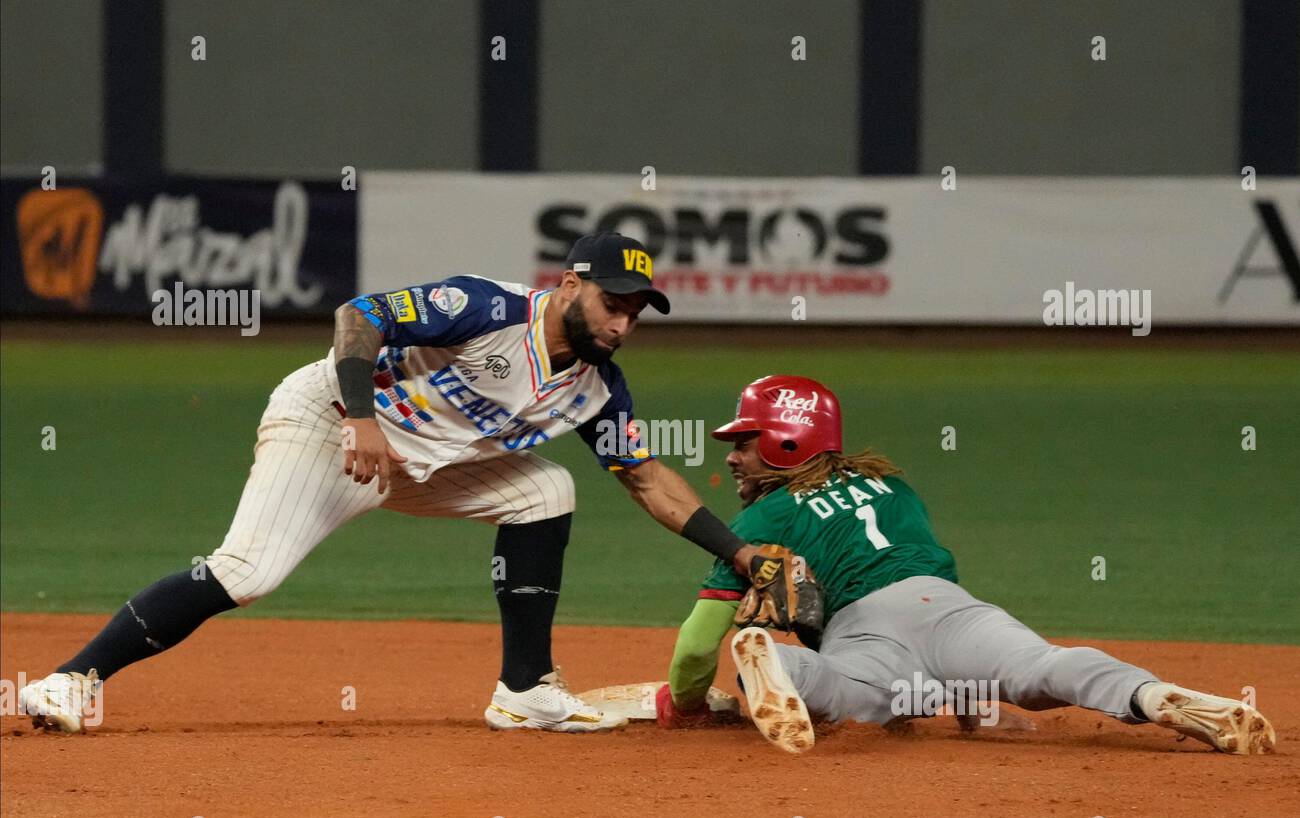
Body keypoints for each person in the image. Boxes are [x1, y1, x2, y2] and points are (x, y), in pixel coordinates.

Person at [19, 233, 782, 734]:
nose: (621, 324)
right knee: (248, 571)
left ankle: (524, 691)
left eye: (636, 314)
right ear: (570, 284)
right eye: (612, 303)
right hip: (329, 426)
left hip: (424, 465)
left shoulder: (596, 388)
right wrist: (360, 416)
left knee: (546, 491)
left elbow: (649, 480)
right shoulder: (488, 309)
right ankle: (72, 678)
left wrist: (742, 555)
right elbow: (361, 315)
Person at [655, 374, 1278, 756]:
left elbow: (695, 645)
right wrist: (974, 702)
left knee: (856, 695)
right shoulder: (891, 486)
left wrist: (684, 702)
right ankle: (1151, 693)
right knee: (1041, 668)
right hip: (946, 607)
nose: (733, 458)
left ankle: (779, 662)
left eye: (743, 442)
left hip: (864, 628)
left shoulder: (761, 521)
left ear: (783, 441)